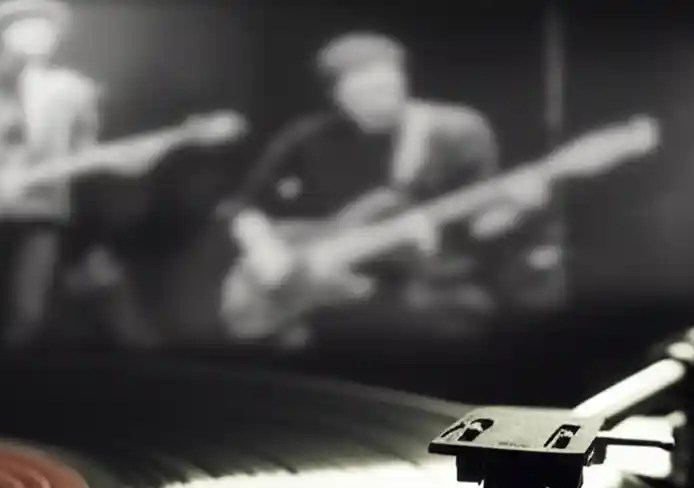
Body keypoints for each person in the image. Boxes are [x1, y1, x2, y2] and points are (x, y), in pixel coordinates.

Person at [218, 32, 552, 347]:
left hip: (426, 290)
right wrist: (264, 250)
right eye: (364, 93)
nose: (380, 101)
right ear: (337, 96)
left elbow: (481, 226)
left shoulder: (457, 130)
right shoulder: (307, 137)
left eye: (387, 87)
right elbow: (241, 206)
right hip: (332, 296)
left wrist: (518, 208)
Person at [0, 0, 158, 347]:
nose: (40, 35)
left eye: (48, 29)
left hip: (39, 211)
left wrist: (123, 160)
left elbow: (83, 153)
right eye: (27, 26)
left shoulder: (74, 90)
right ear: (0, 33)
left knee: (27, 315)